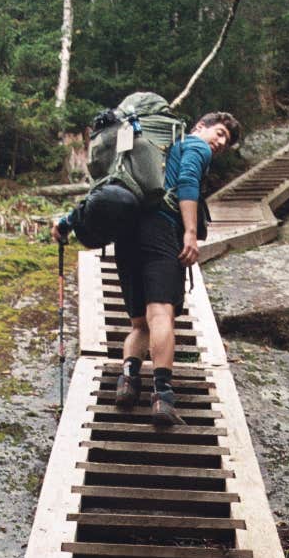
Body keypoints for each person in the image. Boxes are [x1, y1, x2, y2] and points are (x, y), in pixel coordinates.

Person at [55, 110, 240, 427]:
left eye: (226, 140)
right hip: (160, 228)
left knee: (139, 323)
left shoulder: (148, 156)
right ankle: (162, 396)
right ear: (200, 127)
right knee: (160, 315)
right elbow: (187, 183)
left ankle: (127, 382)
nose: (221, 143)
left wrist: (67, 222)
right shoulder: (194, 146)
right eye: (220, 133)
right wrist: (191, 234)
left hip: (128, 234)